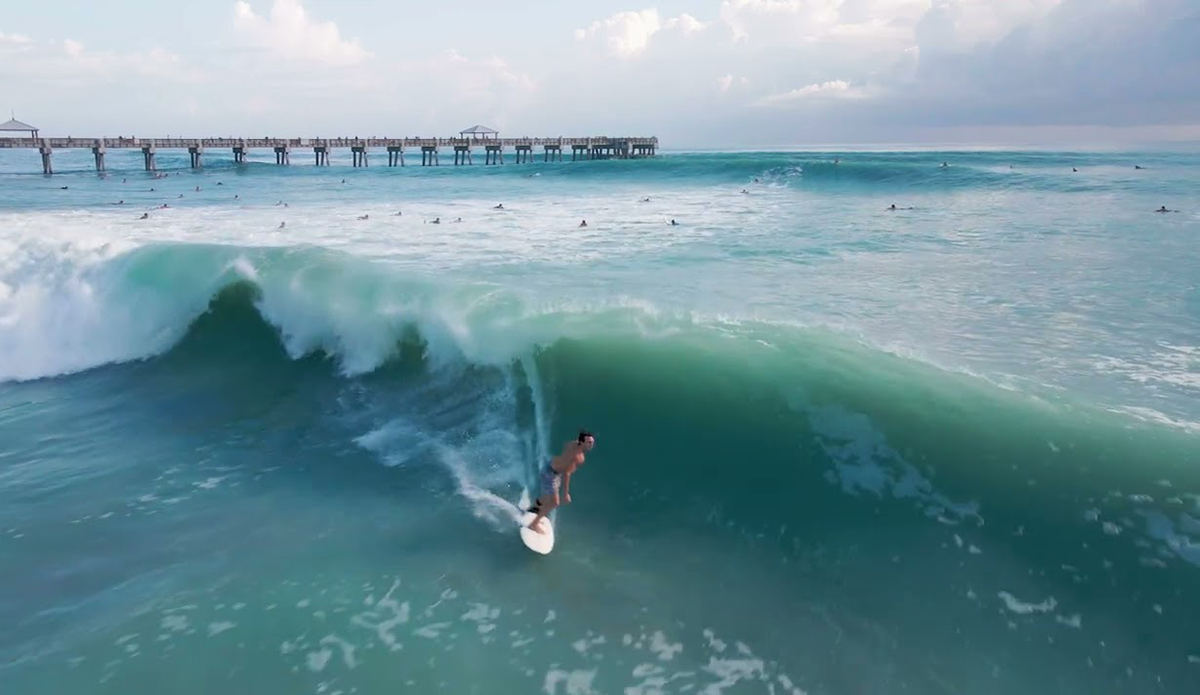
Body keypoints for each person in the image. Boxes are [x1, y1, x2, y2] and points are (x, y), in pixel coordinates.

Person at [526, 430, 596, 535]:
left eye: (592, 442)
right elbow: (567, 474)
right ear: (582, 442)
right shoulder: (579, 458)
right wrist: (566, 493)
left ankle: (534, 509)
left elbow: (565, 461)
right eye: (589, 442)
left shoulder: (571, 444)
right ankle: (533, 524)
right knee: (554, 502)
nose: (591, 445)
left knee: (546, 497)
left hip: (550, 466)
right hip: (551, 475)